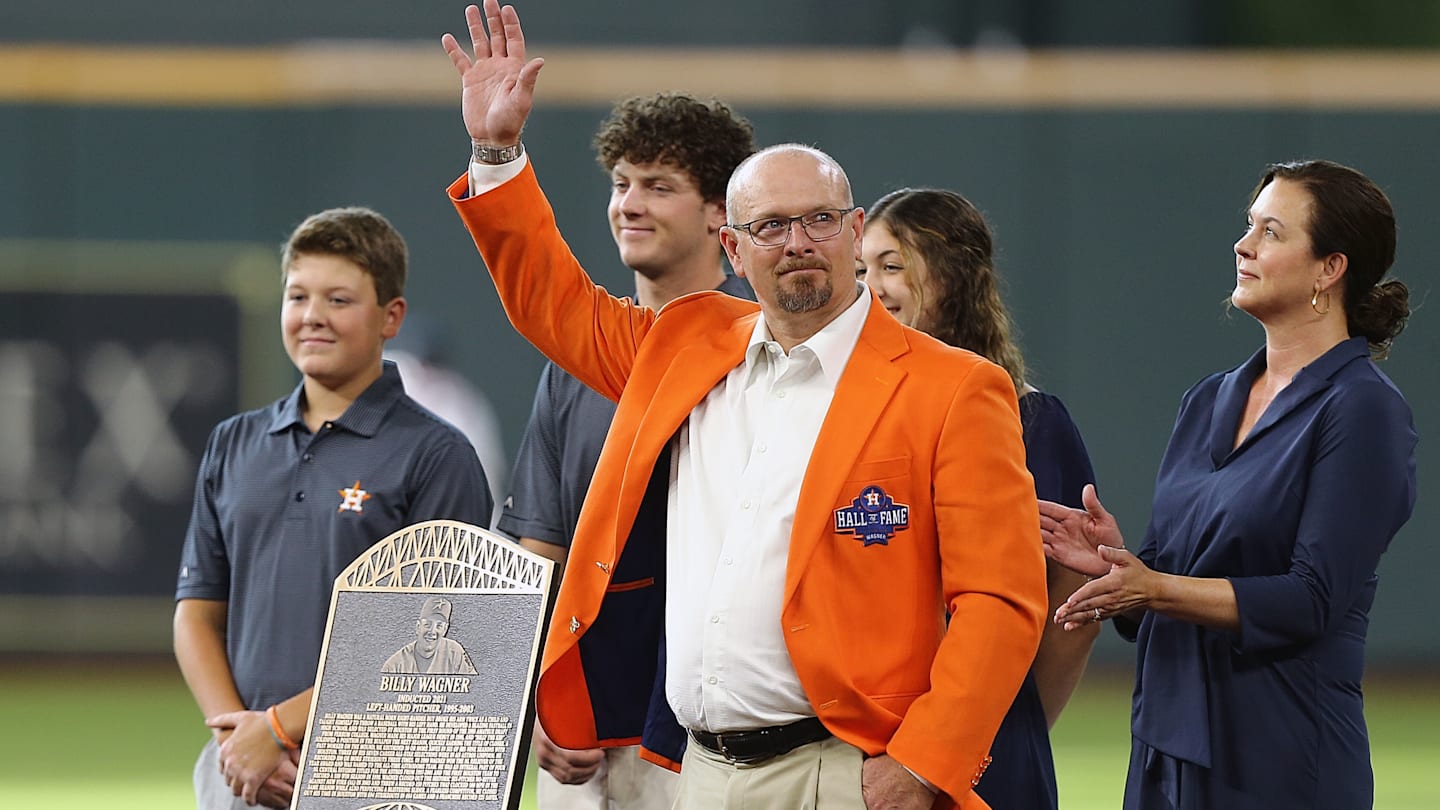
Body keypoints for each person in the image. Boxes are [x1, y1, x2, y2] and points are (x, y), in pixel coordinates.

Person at [441, 4, 1047, 808]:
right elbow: (552, 303)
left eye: (819, 220)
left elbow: (1001, 602)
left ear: (855, 232)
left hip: (843, 771)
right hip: (696, 770)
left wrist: (925, 762)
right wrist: (496, 153)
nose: (797, 242)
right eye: (770, 226)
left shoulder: (956, 386)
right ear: (732, 246)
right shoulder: (686, 345)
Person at [1039, 159, 1416, 809]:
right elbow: (1159, 587)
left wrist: (1155, 586)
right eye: (1249, 225)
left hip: (1279, 758)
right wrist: (1118, 568)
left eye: (1271, 231)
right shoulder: (1208, 399)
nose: (1243, 245)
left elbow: (1311, 600)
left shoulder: (1363, 408)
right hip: (1163, 749)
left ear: (1330, 268)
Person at [173, 206, 493, 809]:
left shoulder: (436, 456)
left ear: (391, 316)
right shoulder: (234, 442)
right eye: (298, 296)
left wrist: (275, 730)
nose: (312, 316)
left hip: (377, 773)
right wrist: (236, 741)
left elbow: (432, 640)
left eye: (339, 300)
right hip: (242, 773)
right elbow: (196, 611)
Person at [498, 91, 756, 809]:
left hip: (718, 738)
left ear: (719, 212)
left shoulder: (762, 352)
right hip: (583, 738)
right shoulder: (573, 367)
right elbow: (538, 553)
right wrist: (535, 698)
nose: (630, 205)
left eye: (659, 186)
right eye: (621, 184)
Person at [859, 187, 1097, 809]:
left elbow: (1072, 605)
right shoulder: (840, 415)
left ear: (953, 275)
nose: (871, 287)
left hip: (986, 740)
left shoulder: (1031, 421)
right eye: (861, 269)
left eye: (892, 265)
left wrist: (1001, 728)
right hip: (863, 742)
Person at [385, 315, 509, 525]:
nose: (424, 370)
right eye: (418, 363)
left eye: (430, 364)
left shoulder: (461, 402)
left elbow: (486, 473)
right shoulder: (379, 378)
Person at [382, 596, 479, 675]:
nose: (432, 631)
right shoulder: (395, 664)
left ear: (445, 629)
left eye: (439, 626)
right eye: (427, 625)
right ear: (418, 626)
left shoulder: (455, 652)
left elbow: (474, 687)